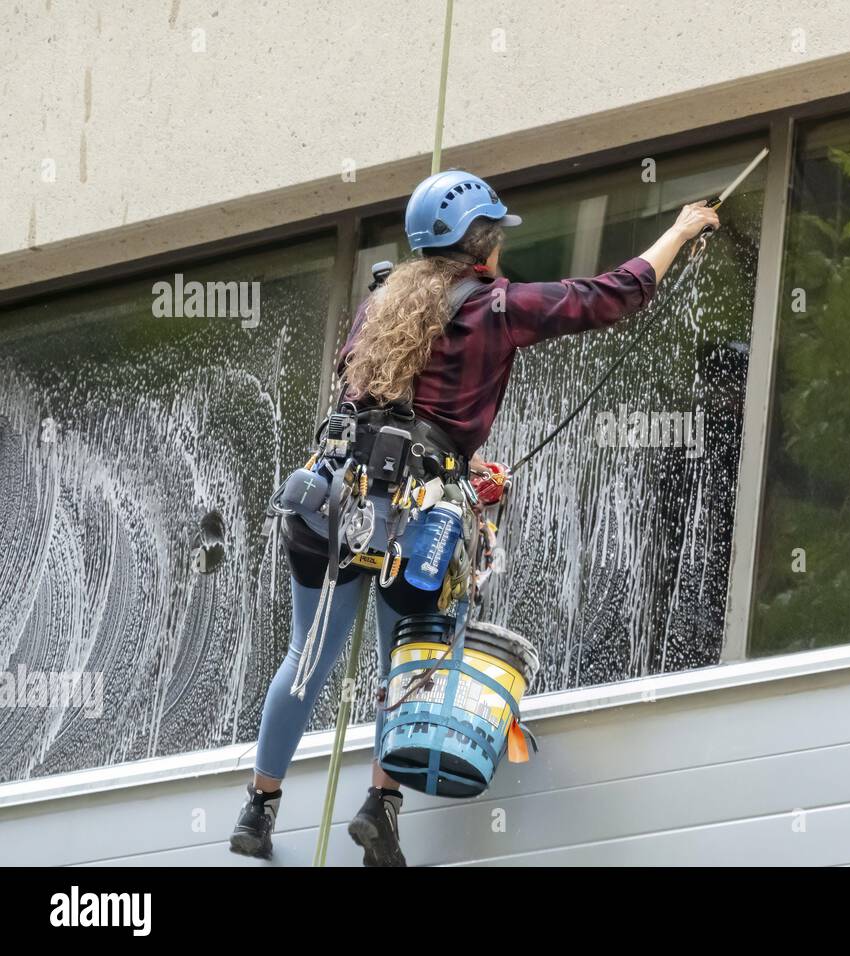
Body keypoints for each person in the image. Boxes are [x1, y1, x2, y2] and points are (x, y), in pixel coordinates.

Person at [229, 169, 719, 866]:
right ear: (484, 245)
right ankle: (379, 807)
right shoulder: (497, 306)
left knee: (306, 660)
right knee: (405, 662)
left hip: (333, 498)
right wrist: (680, 229)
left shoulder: (381, 305)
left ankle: (258, 808)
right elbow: (609, 296)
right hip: (413, 516)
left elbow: (382, 409)